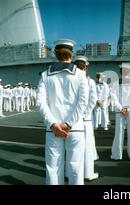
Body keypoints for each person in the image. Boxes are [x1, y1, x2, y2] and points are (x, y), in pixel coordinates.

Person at [38, 39, 89, 185]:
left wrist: (54, 124)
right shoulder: (80, 75)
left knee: (53, 168)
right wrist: (68, 123)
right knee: (75, 167)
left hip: (52, 129)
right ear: (71, 54)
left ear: (56, 54)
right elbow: (83, 103)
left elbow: (41, 103)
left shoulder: (45, 75)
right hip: (75, 128)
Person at [74, 56, 99, 181]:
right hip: (85, 119)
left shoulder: (70, 79)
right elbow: (92, 100)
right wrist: (84, 115)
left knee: (73, 149)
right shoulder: (90, 82)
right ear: (86, 67)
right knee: (87, 147)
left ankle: (71, 173)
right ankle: (88, 173)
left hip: (73, 120)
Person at [110, 62, 130, 161]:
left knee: (119, 132)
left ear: (120, 72)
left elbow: (114, 97)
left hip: (120, 111)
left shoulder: (115, 83)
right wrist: (128, 108)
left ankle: (117, 155)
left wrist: (121, 108)